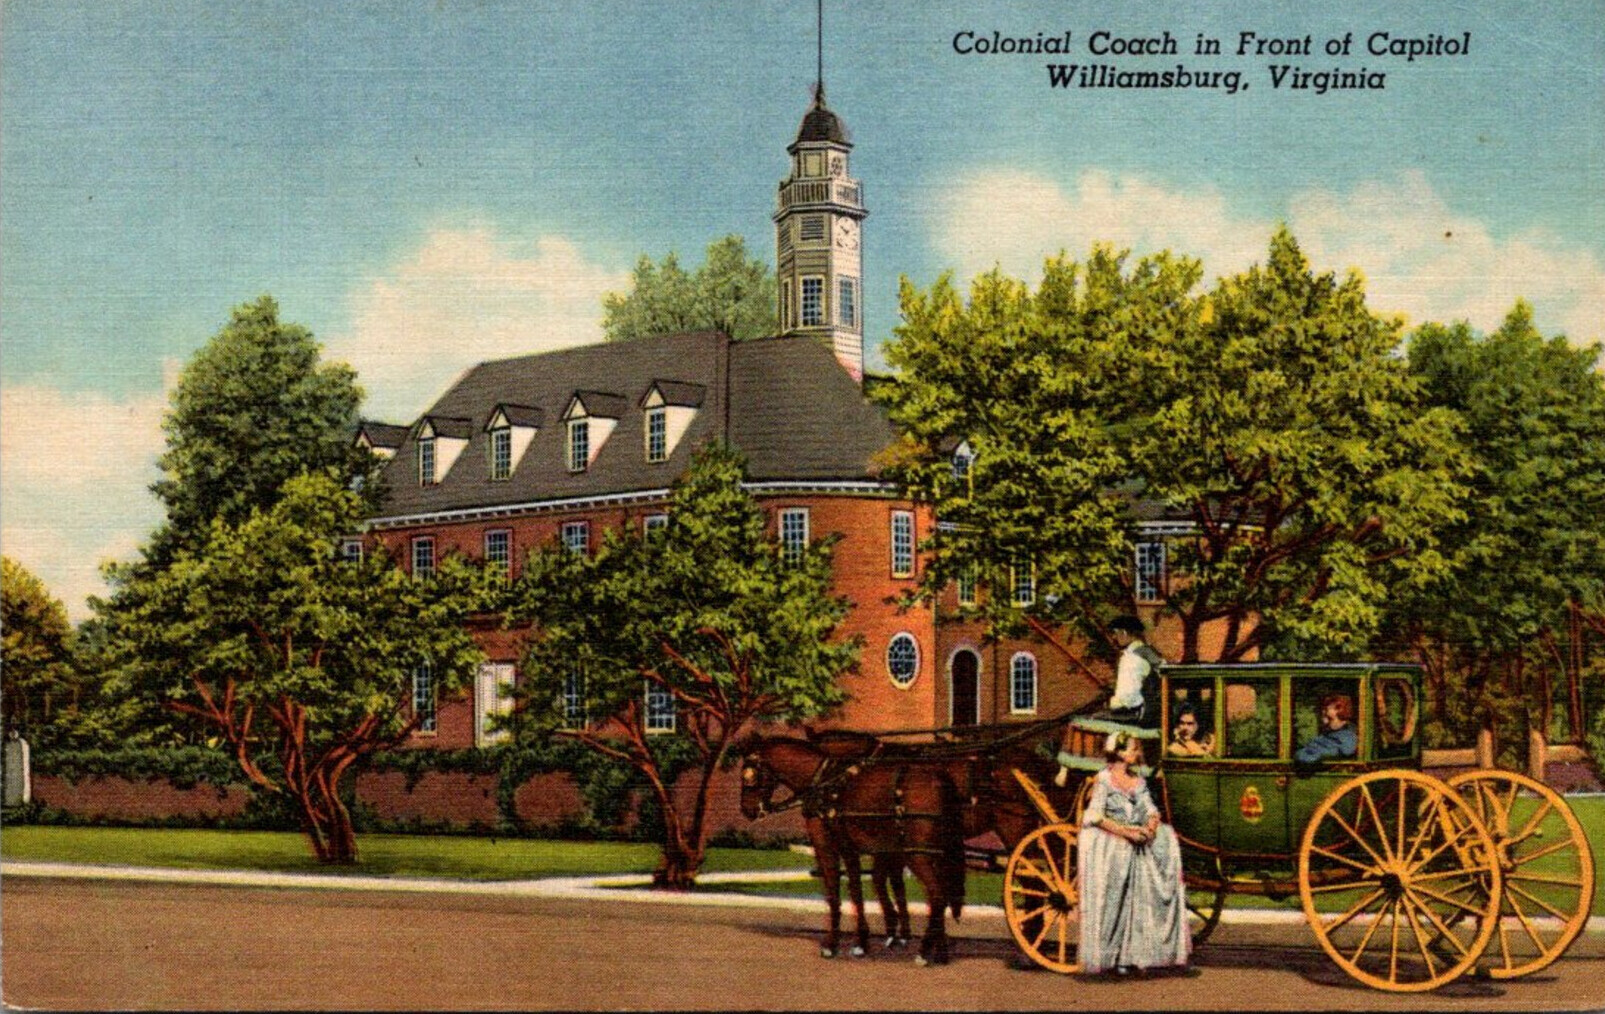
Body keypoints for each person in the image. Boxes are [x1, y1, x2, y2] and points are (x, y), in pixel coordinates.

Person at [1077, 730, 1190, 975]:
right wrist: (1127, 833)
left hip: (1135, 834)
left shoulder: (1137, 781)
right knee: (1123, 858)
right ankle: (1114, 955)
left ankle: (1137, 953)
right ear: (1117, 752)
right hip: (1111, 837)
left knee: (1165, 842)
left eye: (1135, 749)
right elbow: (1095, 816)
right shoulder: (1104, 779)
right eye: (1130, 749)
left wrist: (1149, 827)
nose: (1136, 753)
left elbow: (1150, 808)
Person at [1103, 615, 1164, 724]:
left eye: (1115, 633)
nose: (1114, 637)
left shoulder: (1134, 657)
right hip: (1146, 712)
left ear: (1124, 632)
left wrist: (1113, 703)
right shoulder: (1144, 652)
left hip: (1138, 714)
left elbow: (1128, 698)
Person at [1295, 693, 1358, 764]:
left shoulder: (1348, 735)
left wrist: (1314, 754)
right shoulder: (1325, 734)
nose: (1323, 711)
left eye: (1326, 708)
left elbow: (1345, 751)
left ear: (1338, 709)